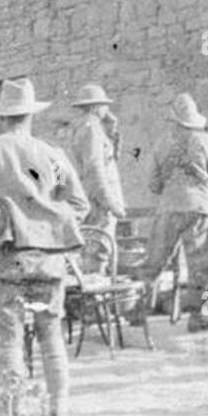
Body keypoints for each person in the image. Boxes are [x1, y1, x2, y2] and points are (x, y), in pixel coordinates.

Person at [0, 79, 88, 416]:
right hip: (49, 258)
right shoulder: (52, 155)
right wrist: (49, 221)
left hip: (7, 255)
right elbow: (78, 203)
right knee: (51, 336)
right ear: (31, 115)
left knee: (9, 340)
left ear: (2, 116)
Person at [139, 93, 208, 332]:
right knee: (205, 267)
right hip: (201, 206)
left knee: (154, 261)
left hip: (168, 207)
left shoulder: (161, 143)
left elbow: (153, 184)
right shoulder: (204, 140)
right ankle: (203, 316)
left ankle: (139, 308)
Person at [67, 83, 127, 273]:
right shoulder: (91, 128)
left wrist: (111, 130)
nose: (107, 109)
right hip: (99, 201)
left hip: (94, 197)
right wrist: (110, 203)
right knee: (98, 251)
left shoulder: (87, 127)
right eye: (104, 105)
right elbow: (94, 169)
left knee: (94, 249)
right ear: (95, 107)